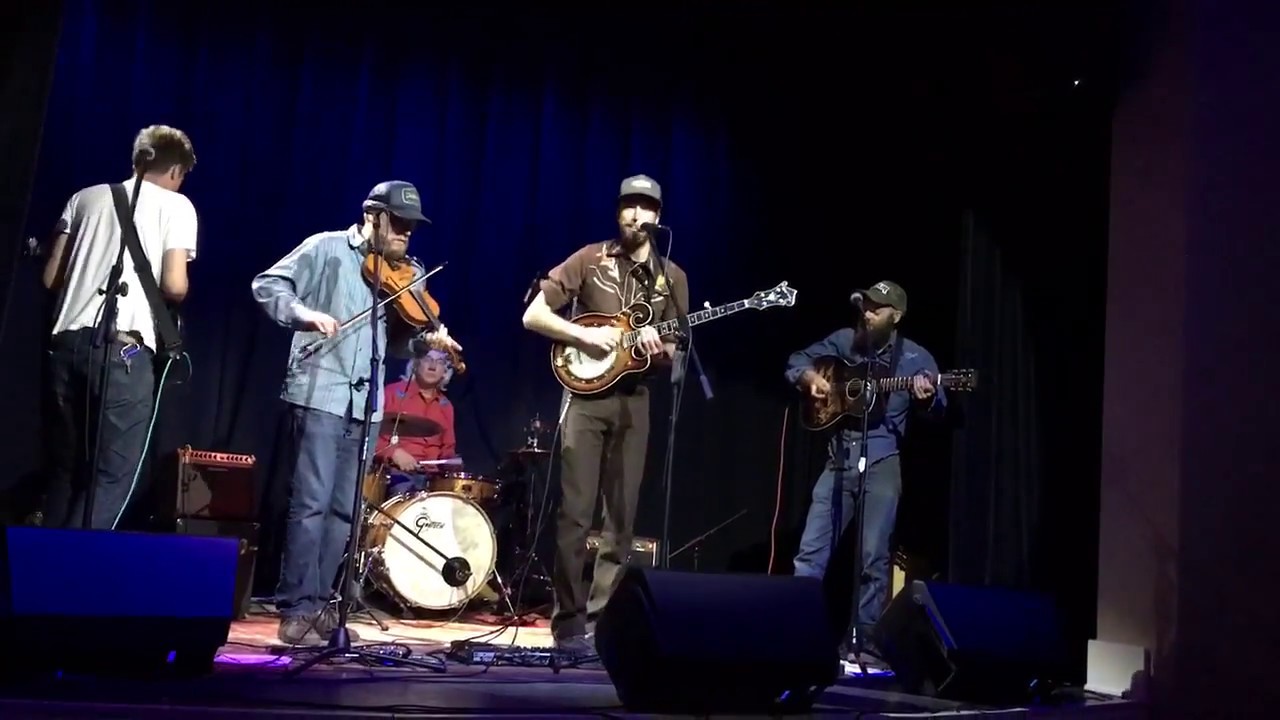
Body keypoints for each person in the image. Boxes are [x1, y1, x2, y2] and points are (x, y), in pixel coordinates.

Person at [251, 180, 460, 645]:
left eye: (411, 227)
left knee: (345, 510)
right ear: (372, 216)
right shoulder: (325, 248)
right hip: (320, 390)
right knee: (311, 505)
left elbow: (404, 339)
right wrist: (303, 313)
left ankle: (325, 605)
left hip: (367, 403)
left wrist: (432, 338)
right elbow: (267, 284)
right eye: (398, 223)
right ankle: (297, 608)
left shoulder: (407, 273)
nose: (406, 233)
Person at [521, 174, 690, 653]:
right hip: (584, 398)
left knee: (621, 518)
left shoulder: (671, 277)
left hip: (635, 400)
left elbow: (676, 350)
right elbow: (534, 315)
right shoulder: (589, 259)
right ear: (618, 212)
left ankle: (601, 623)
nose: (637, 216)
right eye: (629, 207)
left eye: (647, 208)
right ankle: (568, 623)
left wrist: (661, 348)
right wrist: (584, 336)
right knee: (574, 514)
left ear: (659, 217)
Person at [40, 125, 198, 530]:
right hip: (121, 352)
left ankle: (34, 573)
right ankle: (73, 572)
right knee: (113, 474)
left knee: (65, 470)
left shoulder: (84, 198)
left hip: (64, 345)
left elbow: (51, 278)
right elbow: (175, 285)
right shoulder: (177, 207)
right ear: (177, 170)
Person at [784, 280, 946, 658]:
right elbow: (796, 361)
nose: (868, 312)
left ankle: (865, 643)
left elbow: (939, 409)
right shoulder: (844, 341)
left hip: (883, 461)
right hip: (838, 458)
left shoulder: (914, 359)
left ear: (897, 316)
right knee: (811, 551)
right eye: (867, 305)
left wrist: (927, 399)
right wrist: (809, 378)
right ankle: (795, 629)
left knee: (874, 557)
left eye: (878, 308)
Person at [373, 346, 460, 496]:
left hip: (432, 479)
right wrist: (393, 452)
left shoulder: (446, 406)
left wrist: (451, 462)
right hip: (395, 475)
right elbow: (370, 436)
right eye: (428, 359)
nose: (432, 366)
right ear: (415, 364)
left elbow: (447, 449)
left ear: (445, 372)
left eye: (439, 362)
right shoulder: (392, 392)